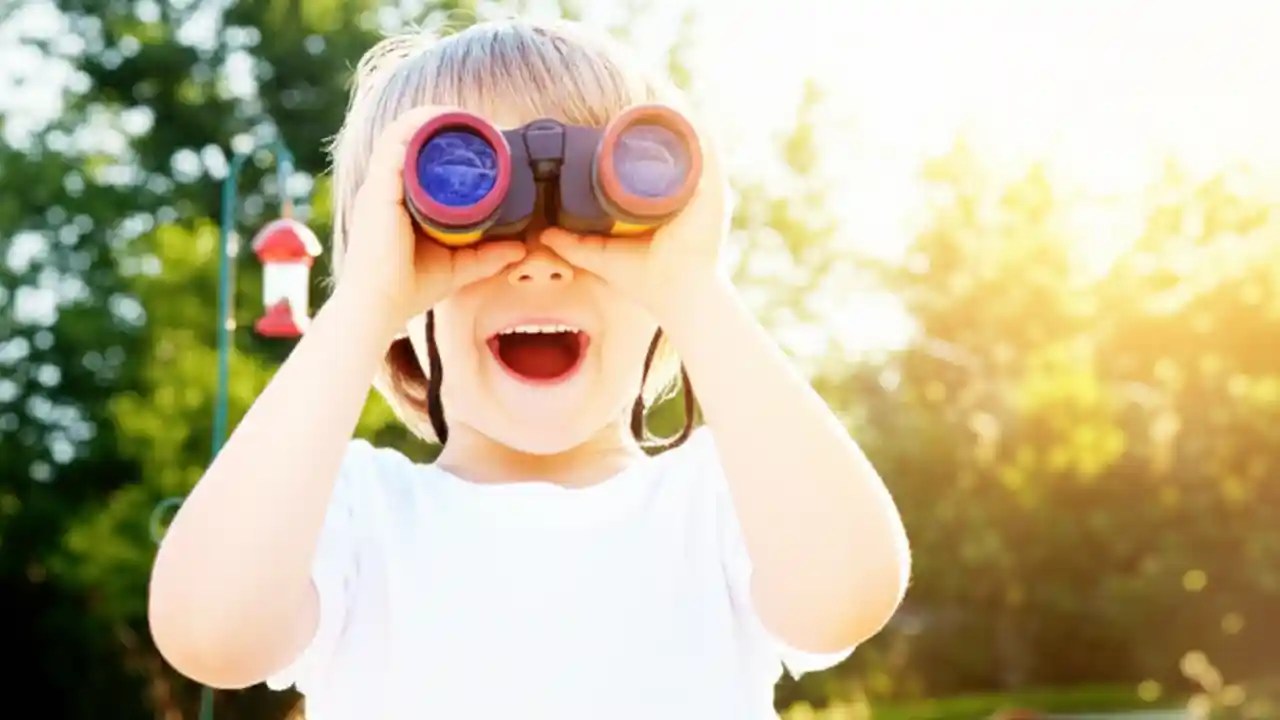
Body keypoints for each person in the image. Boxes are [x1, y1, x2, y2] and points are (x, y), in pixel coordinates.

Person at [147, 17, 911, 720]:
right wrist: (365, 303)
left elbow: (847, 595)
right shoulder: (353, 514)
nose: (540, 268)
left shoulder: (722, 502)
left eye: (592, 214)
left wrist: (692, 289)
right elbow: (210, 636)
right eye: (470, 204)